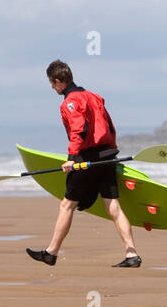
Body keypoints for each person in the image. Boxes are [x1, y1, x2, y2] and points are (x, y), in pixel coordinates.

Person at [26, 60, 141, 268]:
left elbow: (80, 130)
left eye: (52, 84)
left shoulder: (71, 101)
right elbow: (109, 127)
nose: (52, 88)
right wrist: (111, 153)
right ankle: (131, 254)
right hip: (107, 155)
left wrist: (71, 159)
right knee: (113, 205)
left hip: (87, 159)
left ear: (59, 81)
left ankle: (51, 253)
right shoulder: (94, 96)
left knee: (67, 205)